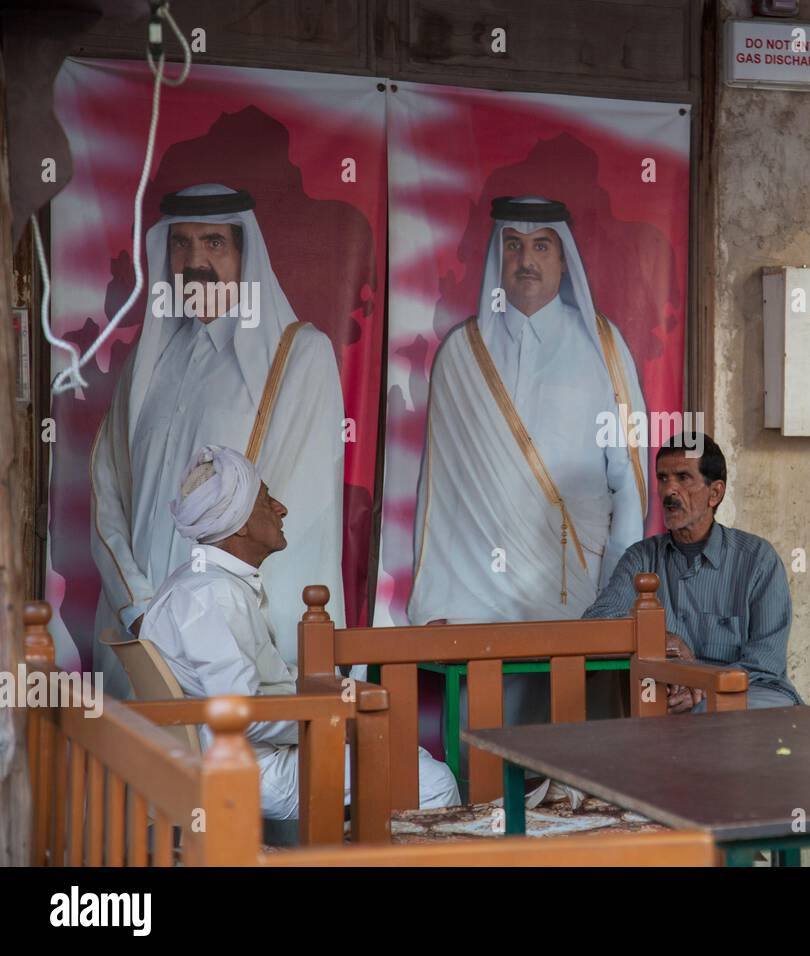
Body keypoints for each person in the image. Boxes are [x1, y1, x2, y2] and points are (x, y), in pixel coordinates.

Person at [90, 184, 347, 699]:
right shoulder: (149, 363)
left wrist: (197, 622)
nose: (194, 260)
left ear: (244, 254)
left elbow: (286, 516)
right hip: (136, 635)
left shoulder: (299, 359)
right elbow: (106, 495)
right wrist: (141, 609)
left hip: (228, 646)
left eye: (213, 243)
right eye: (181, 244)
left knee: (235, 774)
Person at [407, 196, 649, 730]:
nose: (526, 260)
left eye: (542, 246)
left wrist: (615, 597)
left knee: (574, 736)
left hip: (577, 584)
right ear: (498, 258)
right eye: (513, 246)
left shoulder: (601, 348)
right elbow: (438, 495)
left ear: (564, 261)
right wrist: (435, 600)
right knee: (487, 741)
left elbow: (628, 485)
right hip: (476, 592)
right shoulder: (461, 354)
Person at [142, 445, 458, 818]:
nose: (281, 508)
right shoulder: (214, 595)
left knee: (399, 754)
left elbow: (258, 691)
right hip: (255, 770)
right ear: (240, 522)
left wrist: (339, 695)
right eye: (266, 500)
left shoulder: (193, 582)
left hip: (245, 756)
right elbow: (244, 715)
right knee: (431, 780)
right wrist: (333, 718)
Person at [583, 432, 801, 712]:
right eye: (662, 478)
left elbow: (765, 662)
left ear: (715, 493)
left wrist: (705, 685)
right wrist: (659, 638)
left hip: (749, 691)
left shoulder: (757, 560)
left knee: (701, 713)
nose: (668, 490)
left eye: (683, 478)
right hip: (669, 691)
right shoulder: (641, 559)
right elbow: (598, 622)